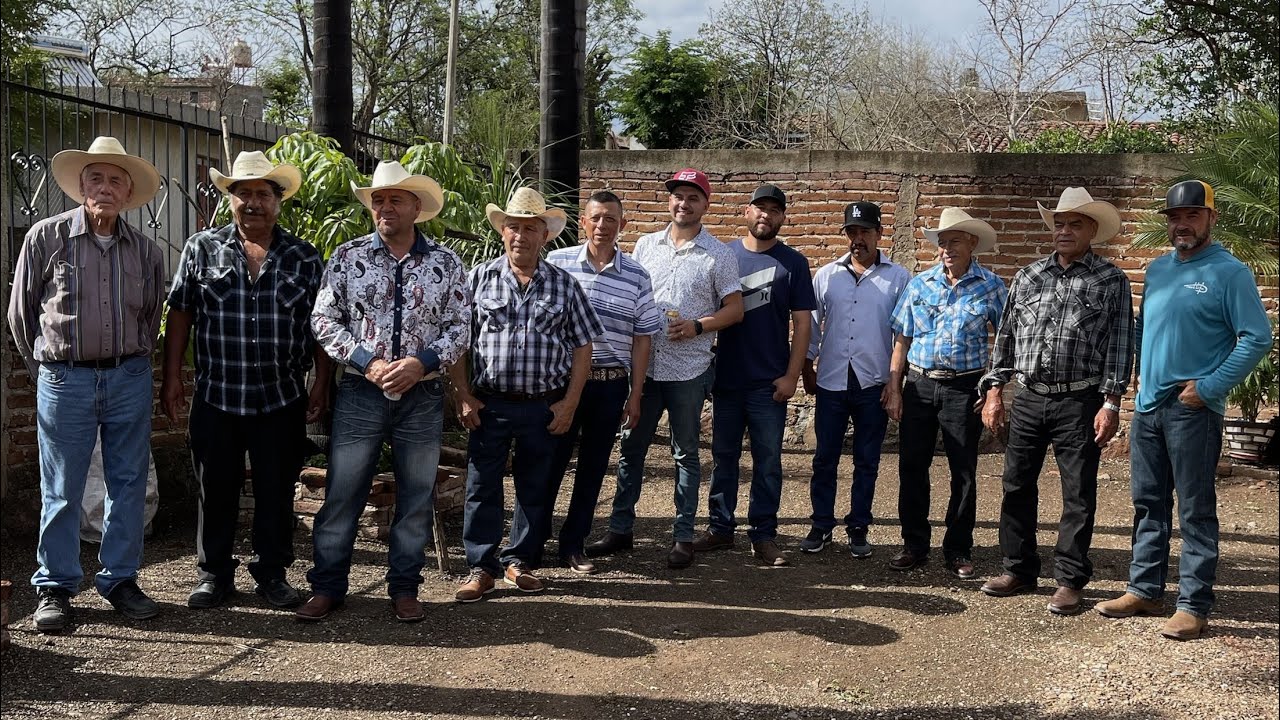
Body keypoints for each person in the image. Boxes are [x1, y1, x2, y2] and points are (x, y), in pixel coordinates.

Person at [1096, 180, 1271, 640]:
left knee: (1195, 509)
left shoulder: (1229, 273)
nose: (1182, 225)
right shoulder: (1158, 269)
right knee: (1147, 503)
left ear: (1212, 218)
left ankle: (1193, 605)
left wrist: (1209, 387)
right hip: (1148, 408)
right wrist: (1140, 378)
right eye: (1175, 217)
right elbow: (1142, 328)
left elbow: (1257, 337)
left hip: (1192, 410)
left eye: (1192, 215)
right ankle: (1144, 590)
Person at [298, 161, 470, 622]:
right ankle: (327, 586)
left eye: (395, 199)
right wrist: (367, 362)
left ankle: (405, 588)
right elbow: (323, 320)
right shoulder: (347, 257)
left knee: (415, 496)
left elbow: (460, 327)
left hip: (422, 396)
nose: (385, 207)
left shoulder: (446, 263)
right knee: (343, 491)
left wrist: (421, 363)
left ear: (417, 207)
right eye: (378, 200)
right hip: (361, 391)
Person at [7, 136, 166, 631]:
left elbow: (151, 316)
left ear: (128, 192)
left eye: (115, 180)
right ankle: (55, 586)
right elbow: (20, 315)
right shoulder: (45, 237)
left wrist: (132, 364)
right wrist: (48, 372)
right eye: (95, 178)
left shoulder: (146, 251)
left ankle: (120, 579)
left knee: (128, 483)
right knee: (61, 487)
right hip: (65, 378)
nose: (105, 188)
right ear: (80, 187)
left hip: (128, 377)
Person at [161, 151, 330, 611]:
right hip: (217, 394)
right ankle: (214, 575)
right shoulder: (201, 248)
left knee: (276, 490)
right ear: (230, 199)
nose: (253, 202)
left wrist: (321, 382)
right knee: (215, 489)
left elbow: (322, 325)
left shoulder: (303, 256)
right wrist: (172, 377)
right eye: (243, 193)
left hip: (281, 395)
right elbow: (180, 313)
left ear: (278, 201)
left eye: (262, 194)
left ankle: (272, 574)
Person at [978, 187, 1134, 616]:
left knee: (1077, 493)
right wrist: (994, 391)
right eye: (1059, 223)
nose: (1064, 231)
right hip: (1029, 397)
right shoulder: (1028, 276)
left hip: (1080, 400)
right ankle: (1017, 569)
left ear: (1092, 230)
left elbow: (1121, 345)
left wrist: (1111, 403)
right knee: (1016, 484)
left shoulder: (1111, 280)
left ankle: (1069, 580)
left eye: (1075, 224)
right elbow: (1005, 338)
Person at [450, 187, 603, 601]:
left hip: (542, 405)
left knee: (535, 485)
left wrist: (570, 403)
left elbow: (583, 346)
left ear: (544, 235)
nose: (521, 236)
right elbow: (458, 341)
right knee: (482, 486)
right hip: (489, 403)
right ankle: (480, 568)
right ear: (502, 232)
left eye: (530, 228)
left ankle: (519, 561)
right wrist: (462, 394)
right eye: (513, 227)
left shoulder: (564, 285)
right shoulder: (478, 278)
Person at [587, 168, 743, 570]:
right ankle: (620, 529)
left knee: (685, 453)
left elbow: (735, 309)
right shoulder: (645, 244)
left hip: (688, 369)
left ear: (705, 204)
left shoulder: (719, 254)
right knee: (630, 450)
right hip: (643, 369)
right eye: (677, 196)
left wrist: (698, 326)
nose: (683, 204)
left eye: (692, 197)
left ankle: (682, 536)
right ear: (669, 201)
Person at [884, 208, 1007, 579]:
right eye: (942, 242)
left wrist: (994, 389)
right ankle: (914, 545)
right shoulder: (920, 284)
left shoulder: (991, 286)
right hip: (920, 385)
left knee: (963, 470)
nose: (946, 249)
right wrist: (894, 388)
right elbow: (902, 339)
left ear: (972, 243)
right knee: (912, 467)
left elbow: (1006, 342)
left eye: (954, 241)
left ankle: (957, 549)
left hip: (964, 388)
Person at [542, 191, 661, 574]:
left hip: (610, 384)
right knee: (548, 462)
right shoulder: (557, 263)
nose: (602, 225)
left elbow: (643, 337)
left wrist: (635, 394)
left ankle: (573, 545)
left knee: (593, 469)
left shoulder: (637, 275)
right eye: (595, 218)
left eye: (610, 219)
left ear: (622, 225)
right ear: (583, 221)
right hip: (561, 383)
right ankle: (531, 541)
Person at [697, 184, 815, 566]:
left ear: (783, 218)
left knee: (768, 463)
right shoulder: (724, 256)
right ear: (746, 212)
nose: (766, 214)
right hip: (728, 380)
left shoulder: (794, 263)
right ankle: (720, 529)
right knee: (723, 458)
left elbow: (802, 325)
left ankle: (763, 535)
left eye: (774, 210)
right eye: (760, 207)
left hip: (769, 384)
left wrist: (792, 376)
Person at [800, 202, 910, 558]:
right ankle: (820, 525)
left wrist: (894, 383)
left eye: (865, 232)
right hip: (832, 380)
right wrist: (807, 367)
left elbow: (902, 334)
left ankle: (859, 526)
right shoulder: (827, 275)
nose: (857, 239)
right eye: (852, 232)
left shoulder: (898, 278)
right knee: (824, 458)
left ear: (879, 233)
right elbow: (811, 324)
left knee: (867, 460)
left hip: (873, 382)